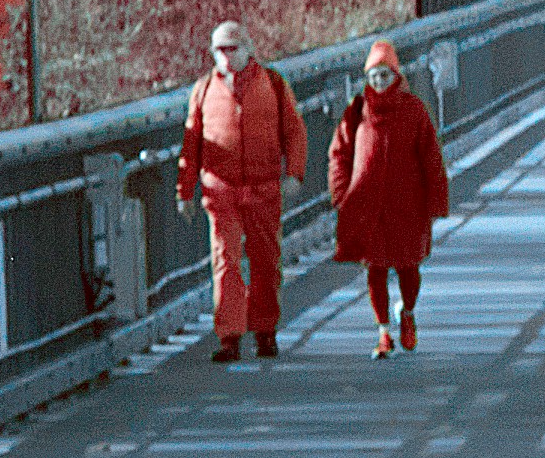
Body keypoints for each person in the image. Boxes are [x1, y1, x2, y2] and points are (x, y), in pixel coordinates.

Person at [181, 22, 309, 361]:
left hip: (264, 190)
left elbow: (294, 132)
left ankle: (265, 331)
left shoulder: (274, 85)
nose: (226, 57)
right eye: (219, 51)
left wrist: (294, 173)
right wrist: (185, 191)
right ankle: (230, 337)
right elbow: (192, 143)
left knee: (266, 262)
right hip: (221, 192)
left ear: (249, 48)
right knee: (227, 263)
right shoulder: (204, 89)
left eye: (232, 49)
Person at [326, 41, 451, 356]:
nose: (379, 82)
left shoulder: (413, 110)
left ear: (395, 75)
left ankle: (407, 313)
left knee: (409, 268)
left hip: (408, 207)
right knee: (376, 269)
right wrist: (342, 193)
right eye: (373, 76)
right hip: (370, 208)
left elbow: (431, 158)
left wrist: (436, 200)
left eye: (384, 75)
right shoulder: (356, 113)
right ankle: (383, 332)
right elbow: (338, 154)